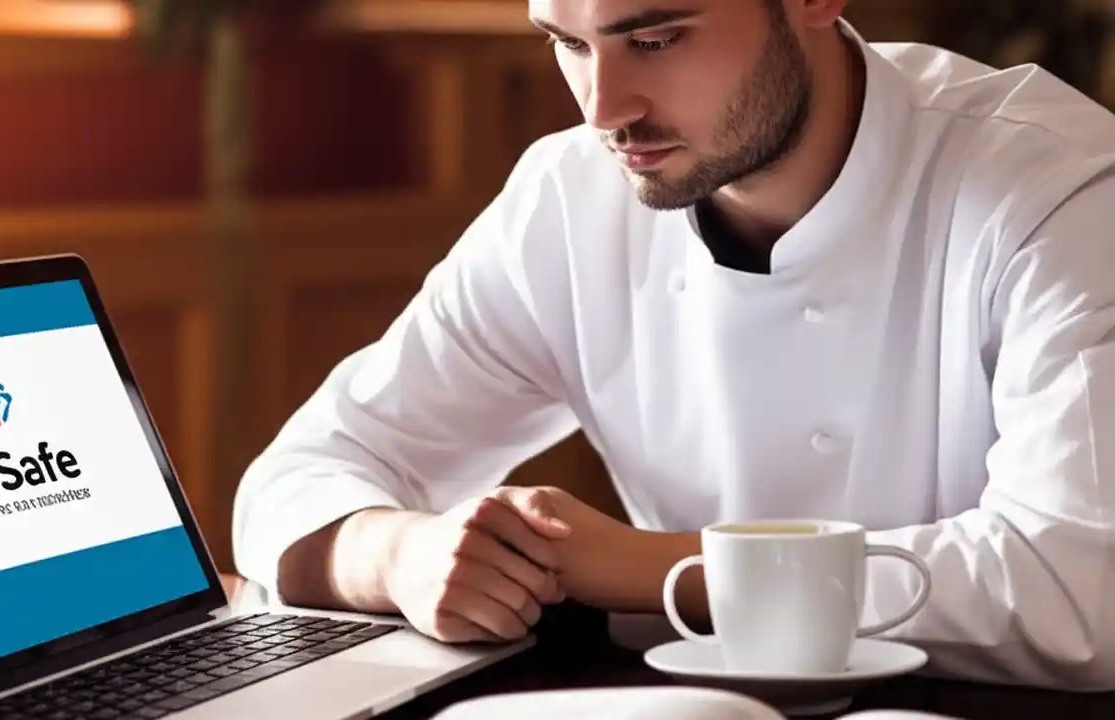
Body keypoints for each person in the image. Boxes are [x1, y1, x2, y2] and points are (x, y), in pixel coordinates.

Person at [233, 0, 1115, 689]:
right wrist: (402, 555)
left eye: (654, 39)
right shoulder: (569, 199)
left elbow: (1081, 592)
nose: (605, 109)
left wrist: (639, 568)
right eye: (568, 44)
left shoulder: (1051, 188)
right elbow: (292, 480)